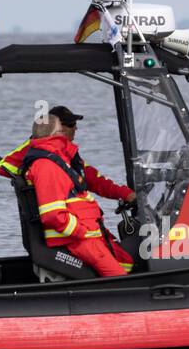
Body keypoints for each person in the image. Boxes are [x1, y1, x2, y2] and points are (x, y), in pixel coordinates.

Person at [8, 110, 134, 277]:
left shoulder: (65, 161)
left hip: (87, 234)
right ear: (59, 132)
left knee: (126, 263)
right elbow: (52, 215)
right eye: (70, 126)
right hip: (77, 238)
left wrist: (126, 194)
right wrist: (83, 232)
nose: (76, 130)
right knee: (119, 277)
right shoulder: (48, 165)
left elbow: (96, 181)